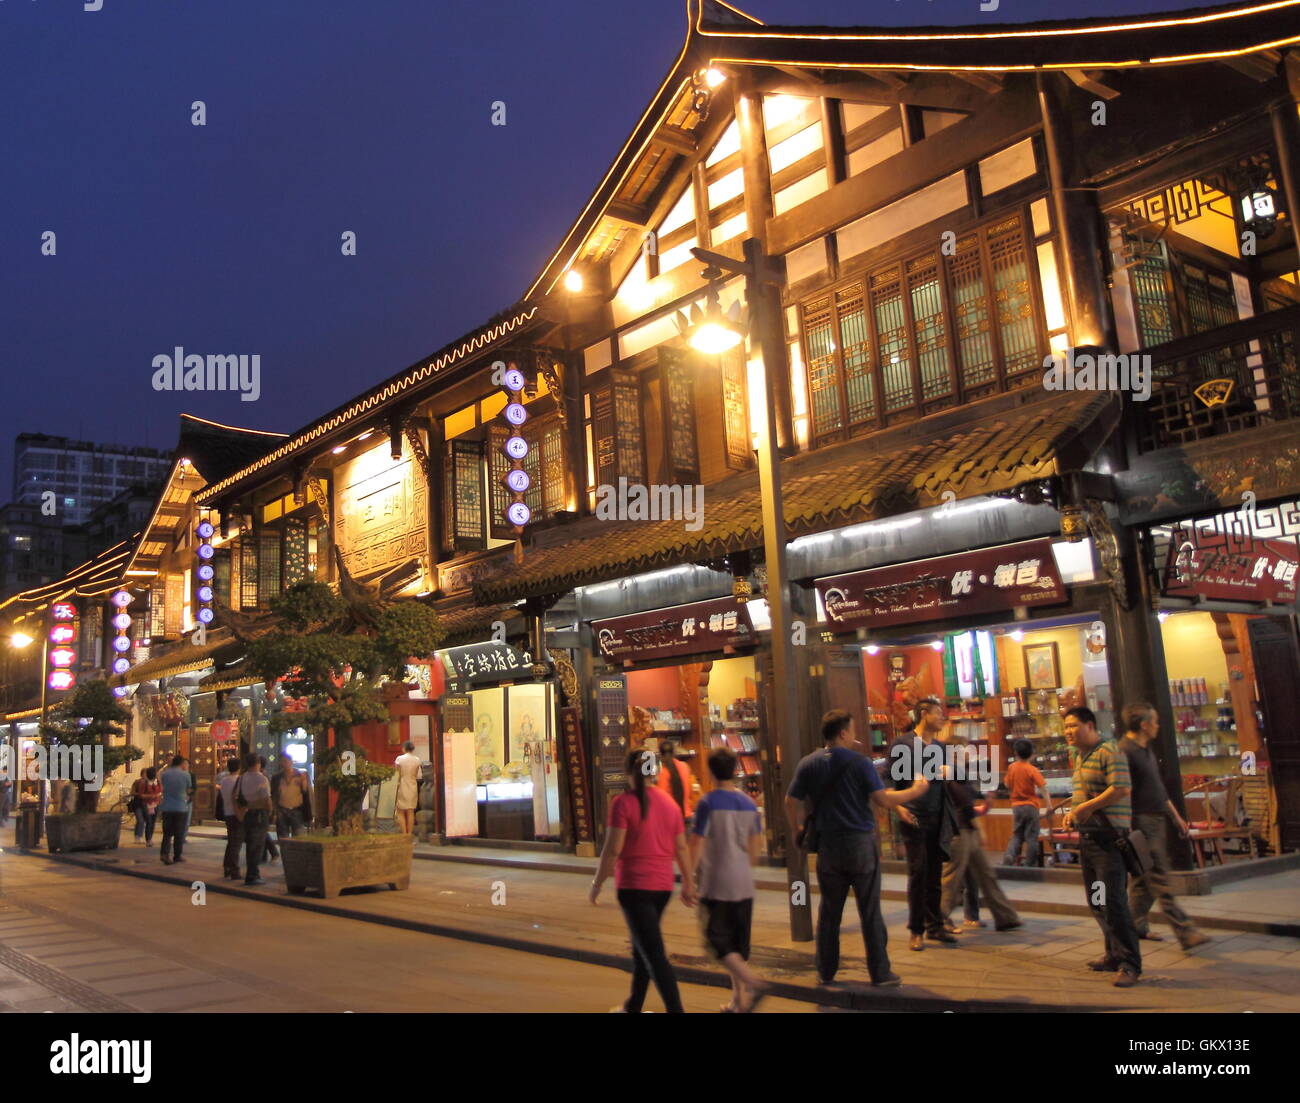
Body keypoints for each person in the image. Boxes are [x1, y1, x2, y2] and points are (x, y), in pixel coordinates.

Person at [785, 709, 929, 986]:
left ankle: (825, 970)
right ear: (842, 733)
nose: (855, 736)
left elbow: (790, 801)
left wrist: (798, 829)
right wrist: (916, 790)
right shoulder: (860, 763)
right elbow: (883, 800)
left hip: (828, 847)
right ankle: (880, 972)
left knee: (829, 911)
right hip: (860, 844)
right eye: (851, 731)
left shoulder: (809, 763)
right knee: (870, 910)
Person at [589, 748, 696, 1014]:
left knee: (654, 954)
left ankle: (676, 1010)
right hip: (662, 886)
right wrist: (689, 882)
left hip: (634, 887)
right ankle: (633, 1005)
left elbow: (613, 849)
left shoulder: (622, 803)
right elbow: (681, 848)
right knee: (642, 948)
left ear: (627, 773)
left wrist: (597, 883)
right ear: (657, 772)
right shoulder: (670, 804)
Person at [1119, 703, 1210, 952]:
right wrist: (1126, 827)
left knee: (1142, 879)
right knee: (1158, 875)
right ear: (1144, 725)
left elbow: (1156, 787)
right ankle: (1185, 930)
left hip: (1156, 816)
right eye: (1155, 721)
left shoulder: (1144, 749)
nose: (1159, 726)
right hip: (1141, 820)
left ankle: (1132, 927)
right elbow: (1122, 791)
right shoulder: (1125, 751)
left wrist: (1176, 816)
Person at [1062, 705, 1142, 988]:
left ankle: (1129, 963)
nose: (1068, 732)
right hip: (1089, 840)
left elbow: (1121, 788)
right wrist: (1074, 814)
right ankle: (1112, 954)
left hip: (1109, 842)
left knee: (1114, 902)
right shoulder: (1079, 756)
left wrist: (1086, 807)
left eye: (1073, 726)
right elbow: (1082, 796)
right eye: (1066, 727)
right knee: (1097, 901)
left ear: (1090, 726)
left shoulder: (1110, 751)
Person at [690, 747, 768, 1012]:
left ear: (711, 772)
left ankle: (753, 983)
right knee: (738, 946)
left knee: (718, 942)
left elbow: (697, 843)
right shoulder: (749, 804)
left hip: (717, 884)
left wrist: (689, 878)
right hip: (744, 883)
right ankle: (738, 1001)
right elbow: (755, 851)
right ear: (735, 769)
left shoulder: (707, 803)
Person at [887, 698, 957, 952]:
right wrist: (899, 808)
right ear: (923, 714)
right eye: (939, 713)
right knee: (918, 872)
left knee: (935, 873)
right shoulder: (902, 744)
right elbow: (891, 783)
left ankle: (935, 925)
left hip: (938, 815)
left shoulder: (939, 746)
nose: (942, 717)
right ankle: (916, 930)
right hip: (913, 816)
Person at [938, 735, 1021, 933]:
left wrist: (984, 804)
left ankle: (1005, 916)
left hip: (966, 830)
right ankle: (938, 919)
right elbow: (963, 805)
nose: (969, 752)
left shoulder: (958, 772)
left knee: (985, 874)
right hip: (960, 831)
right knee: (952, 878)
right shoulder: (950, 773)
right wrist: (981, 828)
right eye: (965, 748)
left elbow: (968, 801)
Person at [1003, 739, 1052, 867]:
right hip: (1031, 806)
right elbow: (1043, 787)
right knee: (1032, 836)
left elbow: (1007, 784)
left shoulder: (1011, 767)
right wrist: (1049, 805)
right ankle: (1029, 863)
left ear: (1016, 753)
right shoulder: (1032, 769)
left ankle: (1009, 855)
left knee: (1017, 835)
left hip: (1016, 807)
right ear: (1032, 754)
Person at [236, 753, 273, 886]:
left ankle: (252, 874)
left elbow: (238, 797)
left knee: (251, 844)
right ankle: (252, 875)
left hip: (247, 813)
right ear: (258, 763)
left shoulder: (242, 778)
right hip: (259, 814)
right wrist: (270, 812)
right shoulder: (261, 779)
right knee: (257, 845)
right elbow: (266, 800)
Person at [158, 755, 192, 865]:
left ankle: (164, 853)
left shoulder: (165, 774)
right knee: (179, 833)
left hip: (167, 806)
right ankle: (177, 856)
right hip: (180, 807)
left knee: (167, 833)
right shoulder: (185, 775)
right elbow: (189, 789)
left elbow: (162, 787)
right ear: (181, 763)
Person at [272, 752, 312, 840]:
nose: (284, 764)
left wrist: (304, 783)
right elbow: (274, 795)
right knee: (283, 837)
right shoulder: (277, 778)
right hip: (282, 810)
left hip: (297, 810)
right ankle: (285, 853)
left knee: (299, 838)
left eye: (286, 761)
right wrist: (275, 812)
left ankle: (296, 854)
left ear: (291, 762)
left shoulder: (300, 776)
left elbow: (306, 793)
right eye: (282, 761)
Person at [656, 739, 696, 827]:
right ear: (674, 752)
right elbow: (690, 792)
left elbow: (661, 800)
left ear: (660, 754)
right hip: (687, 816)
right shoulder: (685, 766)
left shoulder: (663, 773)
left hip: (671, 819)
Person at [218, 757, 244, 880]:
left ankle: (227, 866)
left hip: (228, 812)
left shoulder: (224, 780)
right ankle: (234, 869)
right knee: (236, 843)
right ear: (239, 767)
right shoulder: (239, 780)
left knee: (232, 841)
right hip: (237, 813)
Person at [394, 741, 421, 835]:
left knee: (400, 810)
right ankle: (409, 833)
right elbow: (417, 774)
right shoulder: (417, 760)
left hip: (402, 784)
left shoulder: (399, 759)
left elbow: (397, 774)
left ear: (404, 748)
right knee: (410, 810)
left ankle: (404, 833)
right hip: (413, 785)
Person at [131, 767, 162, 845]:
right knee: (147, 821)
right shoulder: (142, 783)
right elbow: (140, 794)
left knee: (153, 821)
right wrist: (150, 796)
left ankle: (149, 838)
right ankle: (144, 838)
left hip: (155, 804)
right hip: (145, 804)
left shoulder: (157, 782)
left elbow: (161, 790)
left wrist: (158, 796)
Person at [258, 755, 280, 862]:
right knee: (262, 831)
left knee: (262, 832)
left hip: (264, 807)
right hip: (265, 807)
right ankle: (265, 855)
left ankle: (272, 852)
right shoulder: (265, 774)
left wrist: (271, 810)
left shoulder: (262, 776)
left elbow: (267, 795)